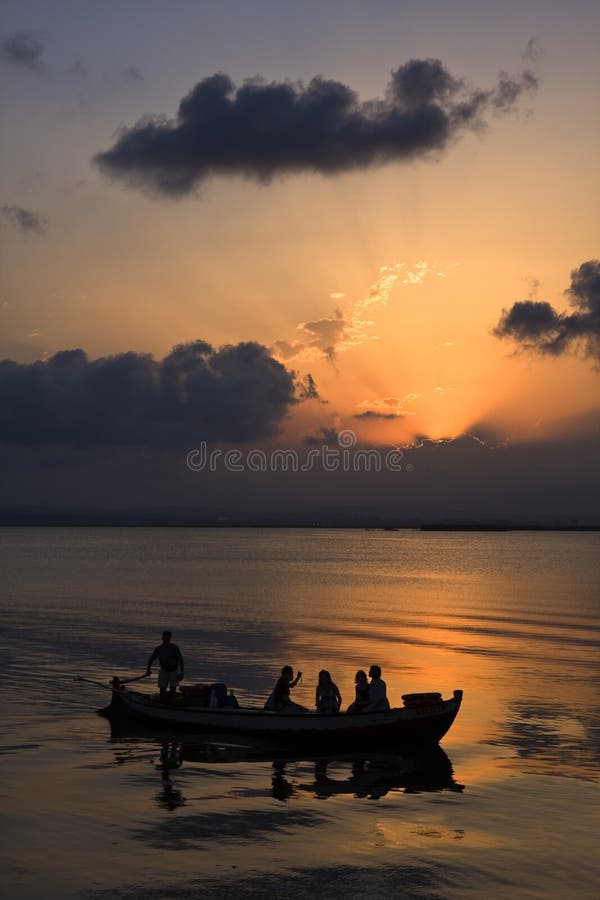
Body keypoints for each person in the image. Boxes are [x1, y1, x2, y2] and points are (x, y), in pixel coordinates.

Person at [146, 630, 184, 703]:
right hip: (163, 670)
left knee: (173, 688)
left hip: (174, 670)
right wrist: (148, 670)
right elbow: (151, 660)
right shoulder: (158, 649)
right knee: (162, 689)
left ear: (170, 638)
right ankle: (163, 702)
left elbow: (180, 660)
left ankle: (171, 702)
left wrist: (182, 672)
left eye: (168, 637)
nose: (166, 638)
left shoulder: (174, 648)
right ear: (162, 638)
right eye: (165, 637)